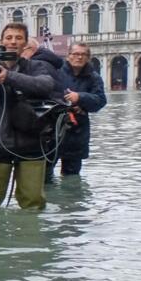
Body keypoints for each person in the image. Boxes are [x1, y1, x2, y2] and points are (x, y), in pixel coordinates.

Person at [0, 22, 58, 209]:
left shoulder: (36, 67)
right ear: (1, 41)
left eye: (18, 38)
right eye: (9, 38)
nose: (13, 42)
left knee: (33, 204)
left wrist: (8, 77)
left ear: (25, 43)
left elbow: (46, 85)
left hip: (32, 144)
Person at [49, 41, 106, 178]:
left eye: (83, 54)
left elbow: (100, 101)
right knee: (45, 173)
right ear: (68, 56)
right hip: (53, 130)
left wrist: (80, 97)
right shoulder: (56, 72)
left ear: (88, 57)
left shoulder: (94, 77)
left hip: (77, 131)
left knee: (72, 176)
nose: (79, 57)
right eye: (75, 54)